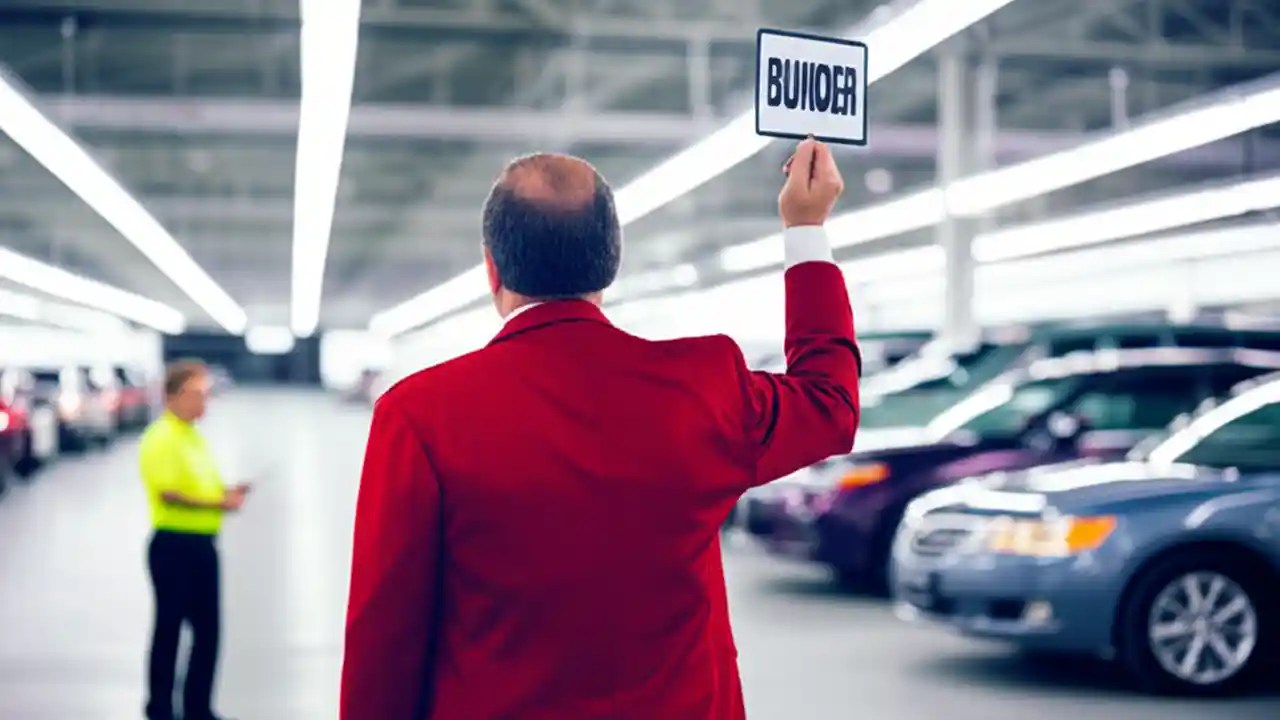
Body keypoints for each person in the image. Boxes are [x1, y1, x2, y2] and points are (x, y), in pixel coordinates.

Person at [341, 138, 860, 720]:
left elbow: (385, 636)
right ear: (610, 261)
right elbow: (828, 403)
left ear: (492, 266)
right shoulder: (703, 386)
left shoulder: (419, 415)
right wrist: (806, 227)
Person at [139, 360, 249, 720]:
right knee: (169, 629)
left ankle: (197, 708)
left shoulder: (193, 436)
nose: (204, 403)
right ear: (172, 395)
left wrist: (226, 492)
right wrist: (220, 502)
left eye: (206, 395)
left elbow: (200, 484)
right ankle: (160, 709)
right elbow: (170, 492)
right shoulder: (161, 437)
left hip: (203, 546)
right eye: (197, 394)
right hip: (173, 546)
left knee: (208, 632)